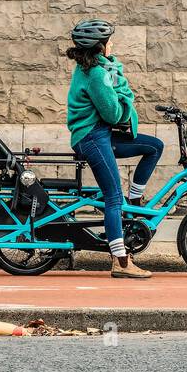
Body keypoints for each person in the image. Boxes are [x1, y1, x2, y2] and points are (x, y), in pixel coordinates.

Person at [66, 19, 163, 280]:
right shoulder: (96, 75)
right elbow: (113, 114)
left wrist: (118, 85)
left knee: (154, 146)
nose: (113, 45)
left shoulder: (97, 67)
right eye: (109, 41)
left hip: (101, 134)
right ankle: (121, 263)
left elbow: (114, 96)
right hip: (93, 137)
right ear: (100, 46)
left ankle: (134, 201)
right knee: (112, 198)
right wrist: (125, 98)